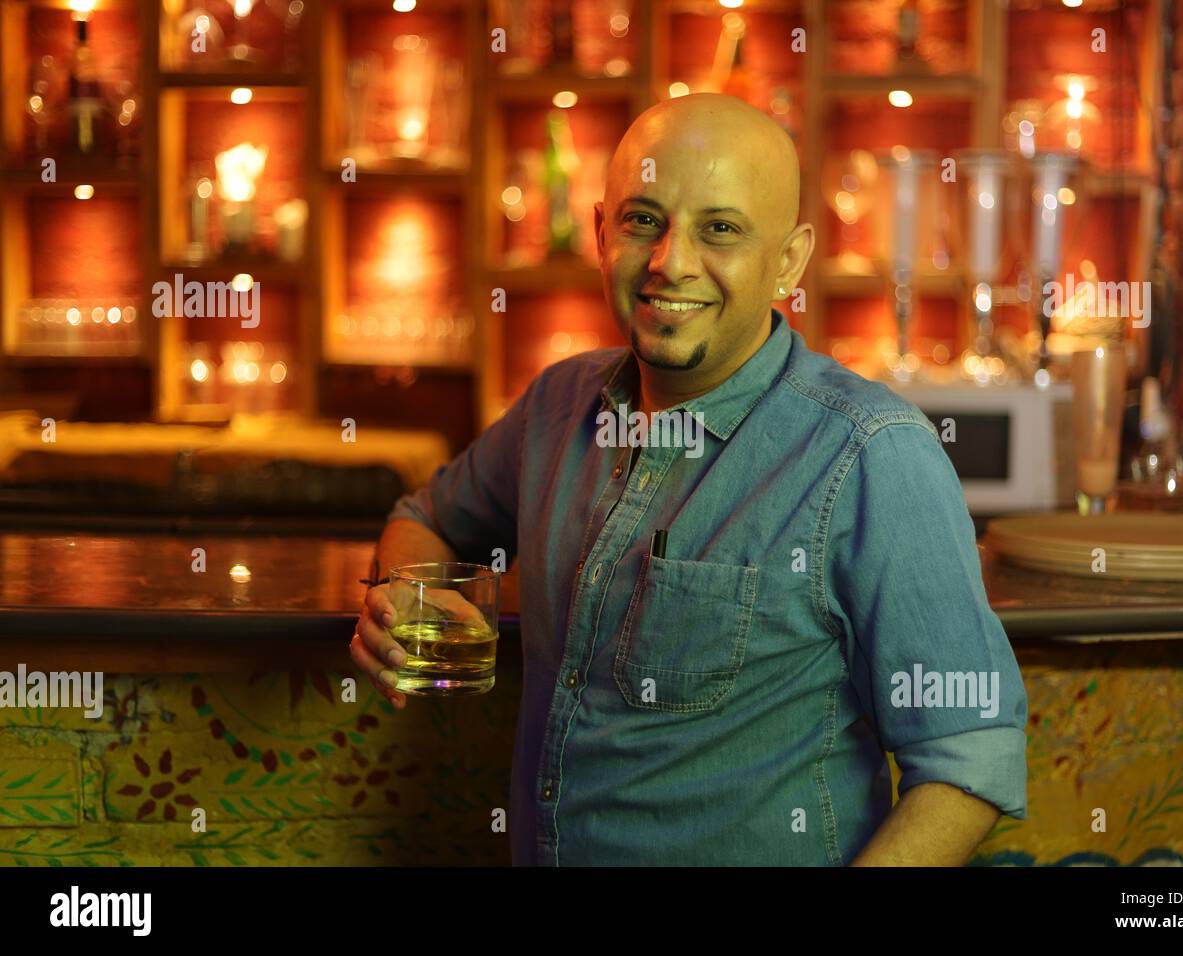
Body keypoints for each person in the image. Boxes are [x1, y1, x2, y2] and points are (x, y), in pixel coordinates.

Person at [352, 93, 1027, 866]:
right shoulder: (556, 407)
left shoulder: (873, 453)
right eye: (644, 219)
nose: (672, 260)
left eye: (722, 229)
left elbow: (970, 757)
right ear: (601, 232)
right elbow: (427, 513)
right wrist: (403, 593)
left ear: (789, 260)